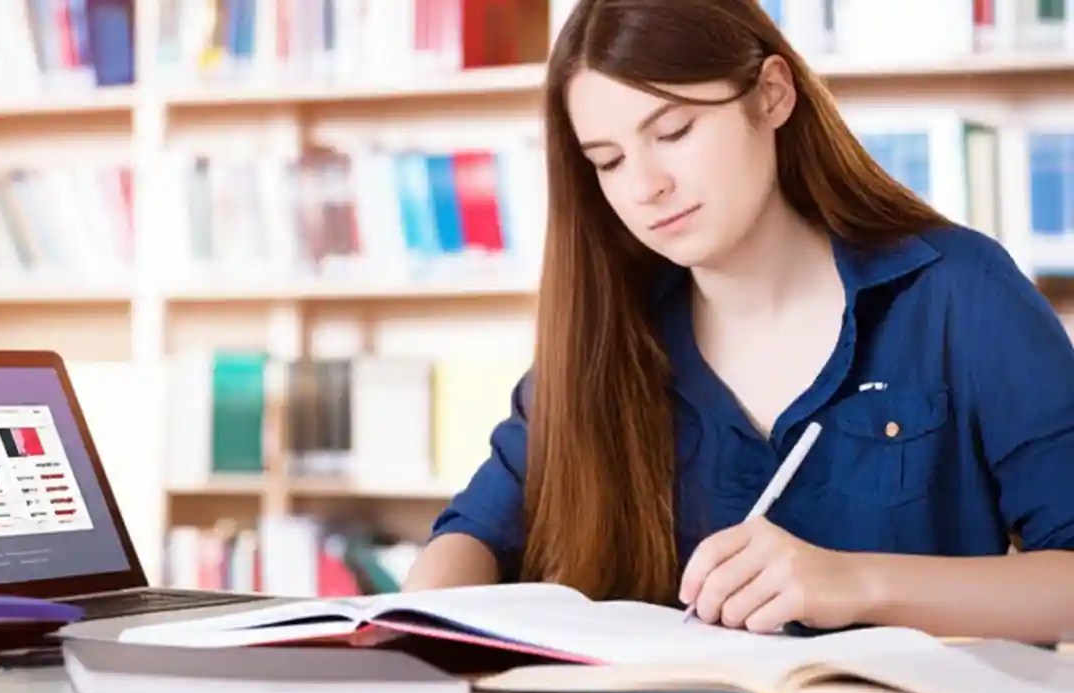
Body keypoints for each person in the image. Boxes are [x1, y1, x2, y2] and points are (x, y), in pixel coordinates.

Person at [401, 0, 1074, 644]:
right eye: (608, 161)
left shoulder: (958, 293)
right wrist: (424, 633)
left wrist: (856, 582)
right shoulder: (611, 339)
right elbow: (471, 538)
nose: (645, 185)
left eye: (673, 132)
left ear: (772, 94)